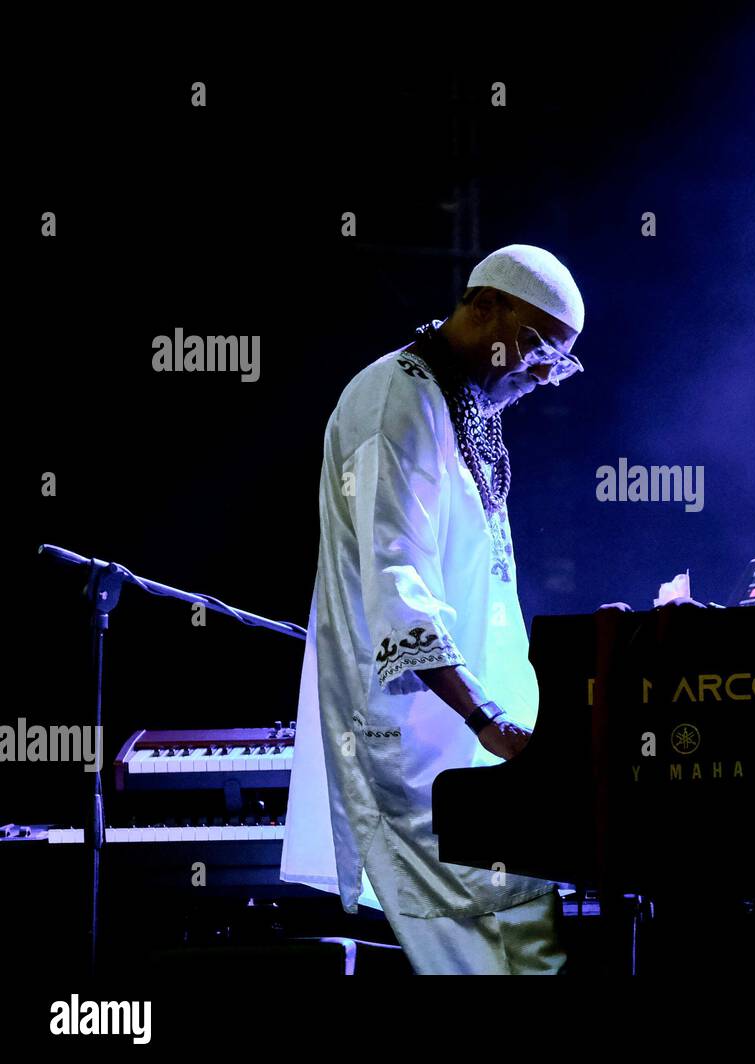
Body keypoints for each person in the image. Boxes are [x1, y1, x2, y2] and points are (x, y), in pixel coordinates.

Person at [280, 244, 585, 974]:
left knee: (524, 958)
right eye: (539, 346)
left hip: (477, 755)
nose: (545, 373)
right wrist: (485, 715)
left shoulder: (464, 406)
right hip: (422, 753)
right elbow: (399, 579)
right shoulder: (399, 396)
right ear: (482, 308)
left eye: (560, 360)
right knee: (494, 964)